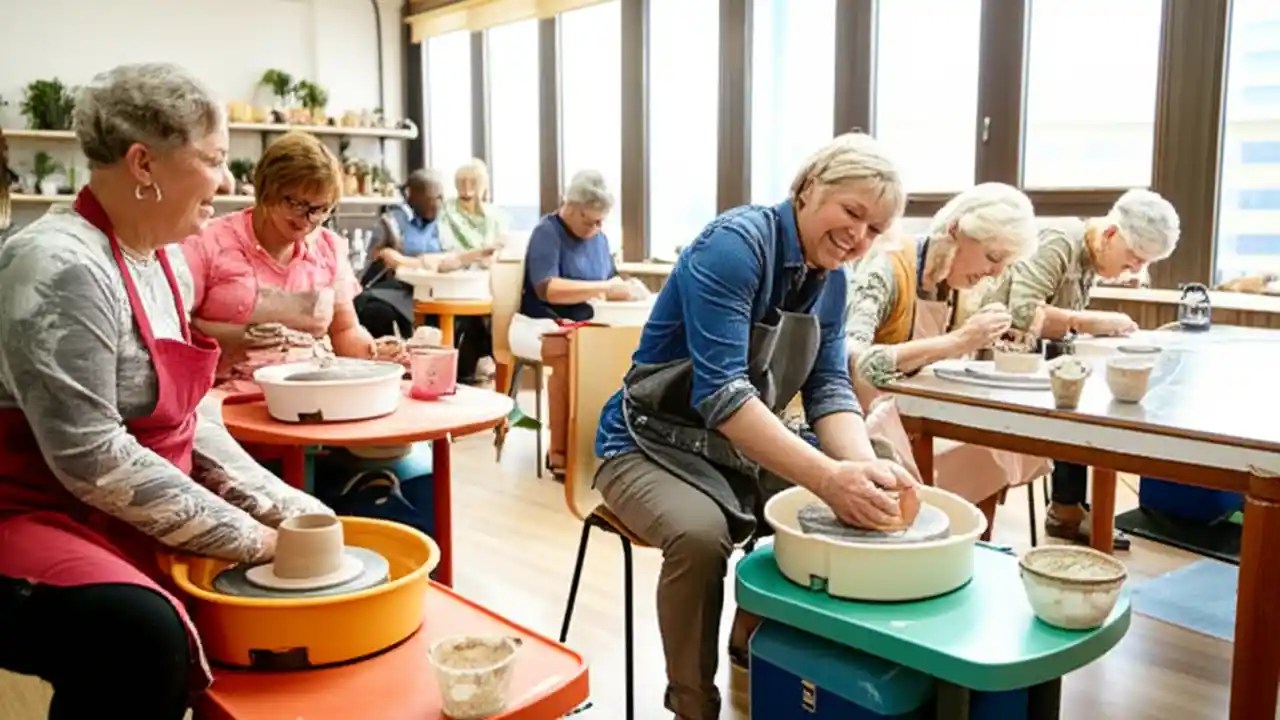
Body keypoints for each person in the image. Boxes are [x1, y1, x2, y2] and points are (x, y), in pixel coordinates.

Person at [0, 63, 329, 719]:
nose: (229, 182)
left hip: (123, 503)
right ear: (143, 163)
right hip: (31, 511)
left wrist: (287, 509)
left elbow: (190, 421)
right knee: (139, 636)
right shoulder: (58, 263)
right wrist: (253, 538)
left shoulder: (166, 261)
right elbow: (91, 458)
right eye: (214, 159)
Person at [593, 133, 918, 720]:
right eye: (852, 212)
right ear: (808, 187)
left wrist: (857, 469)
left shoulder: (832, 280)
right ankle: (693, 703)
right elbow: (722, 395)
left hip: (732, 449)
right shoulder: (735, 247)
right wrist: (829, 479)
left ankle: (760, 643)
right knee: (700, 535)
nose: (858, 237)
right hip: (646, 442)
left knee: (878, 468)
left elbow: (828, 389)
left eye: (874, 229)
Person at [844, 183, 1048, 532]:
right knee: (980, 447)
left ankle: (973, 542)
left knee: (998, 442)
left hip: (922, 414)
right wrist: (957, 341)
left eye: (1005, 264)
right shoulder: (889, 264)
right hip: (867, 424)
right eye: (993, 258)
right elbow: (854, 362)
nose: (996, 273)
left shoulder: (957, 284)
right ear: (955, 230)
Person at [984, 188, 1181, 548]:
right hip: (996, 362)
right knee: (1079, 399)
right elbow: (1022, 314)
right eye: (1133, 259)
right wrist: (1090, 321)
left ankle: (1068, 506)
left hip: (1034, 362)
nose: (1135, 270)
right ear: (1110, 234)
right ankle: (1068, 509)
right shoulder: (1060, 240)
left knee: (1084, 388)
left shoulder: (1089, 260)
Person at [182, 131, 407, 396]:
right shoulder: (208, 242)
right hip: (224, 395)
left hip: (308, 391)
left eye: (319, 209)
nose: (306, 219)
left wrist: (376, 353)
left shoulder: (328, 248)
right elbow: (176, 328)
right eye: (296, 204)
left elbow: (345, 331)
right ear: (267, 189)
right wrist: (237, 337)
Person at [355, 168, 495, 380]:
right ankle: (389, 371)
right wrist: (417, 262)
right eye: (433, 197)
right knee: (374, 310)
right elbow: (379, 257)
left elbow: (452, 256)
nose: (439, 203)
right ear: (413, 196)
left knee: (469, 318)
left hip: (438, 288)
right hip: (396, 289)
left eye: (441, 197)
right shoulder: (392, 222)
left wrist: (470, 256)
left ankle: (459, 374)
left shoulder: (445, 223)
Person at [509, 169, 633, 361]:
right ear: (570, 206)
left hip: (592, 320)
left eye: (600, 222)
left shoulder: (599, 238)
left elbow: (611, 279)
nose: (595, 228)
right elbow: (548, 290)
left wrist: (627, 289)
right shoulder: (547, 232)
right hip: (549, 322)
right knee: (585, 350)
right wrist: (603, 289)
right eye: (589, 221)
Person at [440, 157, 504, 251]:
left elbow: (500, 244)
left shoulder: (497, 215)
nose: (466, 188)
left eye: (473, 182)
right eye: (461, 182)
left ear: (483, 185)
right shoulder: (445, 210)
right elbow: (447, 245)